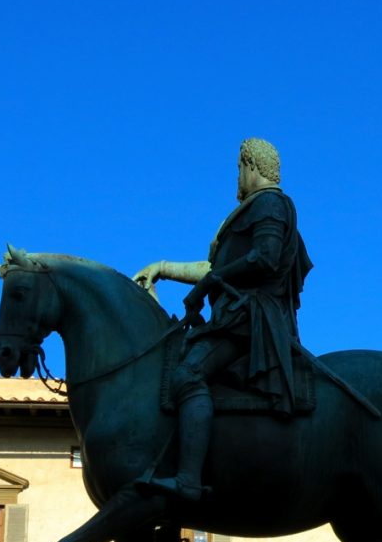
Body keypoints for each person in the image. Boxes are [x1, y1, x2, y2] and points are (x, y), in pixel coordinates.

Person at [132, 138, 313, 501]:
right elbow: (215, 268)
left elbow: (264, 257)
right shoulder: (253, 209)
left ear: (249, 165)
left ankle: (187, 482)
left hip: (251, 321)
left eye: (238, 169)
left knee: (188, 374)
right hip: (237, 314)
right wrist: (163, 269)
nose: (237, 178)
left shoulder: (269, 204)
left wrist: (214, 280)